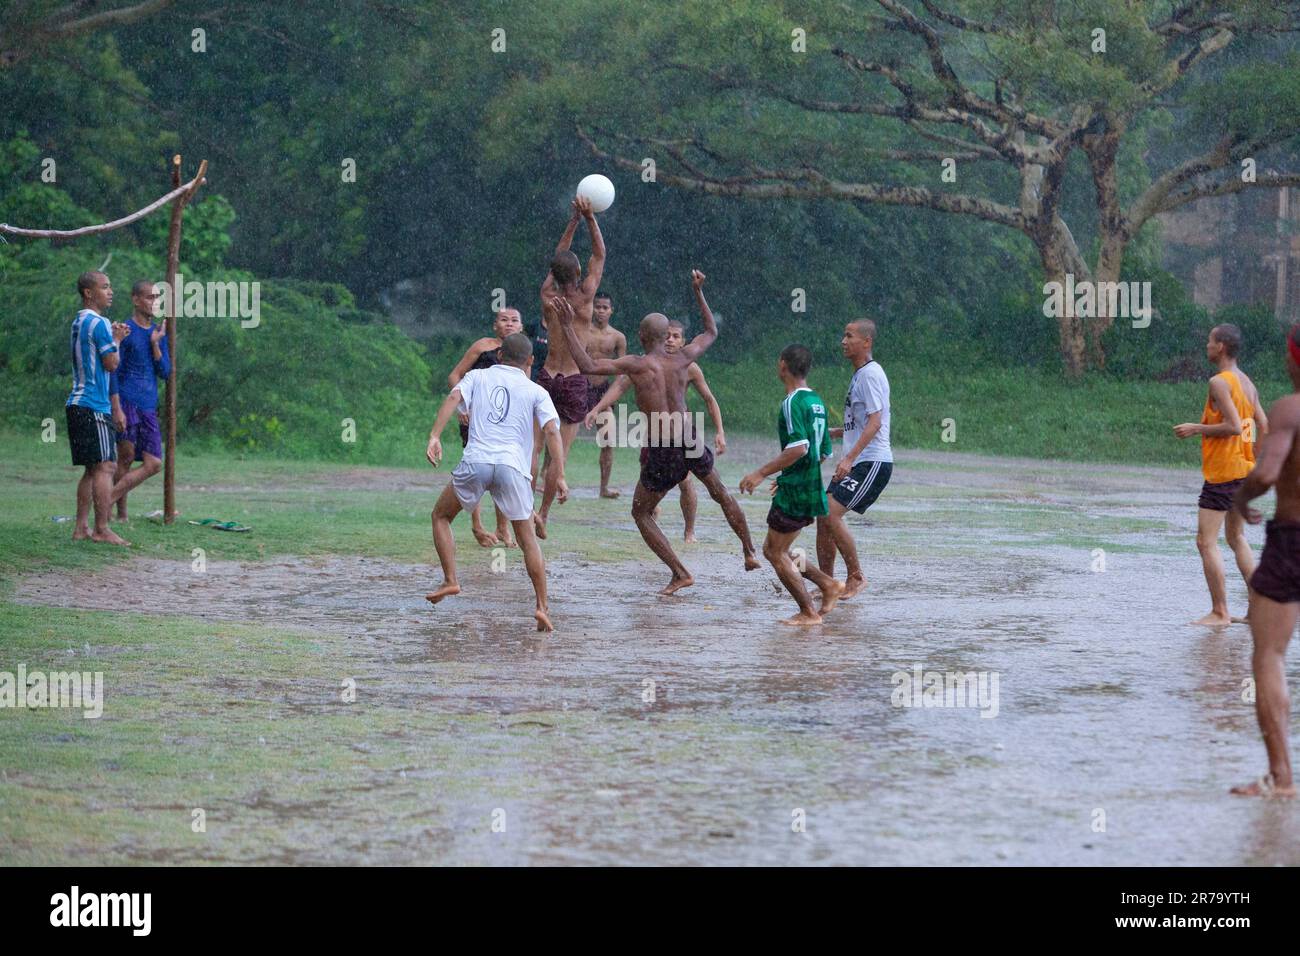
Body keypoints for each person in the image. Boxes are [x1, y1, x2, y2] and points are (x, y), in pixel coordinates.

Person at [554, 270, 758, 595]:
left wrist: (566, 326)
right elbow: (711, 330)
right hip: (689, 435)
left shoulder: (637, 364)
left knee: (640, 511)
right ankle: (749, 550)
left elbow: (589, 366)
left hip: (664, 445)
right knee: (719, 492)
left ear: (640, 335)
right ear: (667, 337)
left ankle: (680, 572)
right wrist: (698, 291)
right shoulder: (684, 358)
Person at [425, 333, 566, 632]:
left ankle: (451, 579)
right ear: (529, 361)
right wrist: (561, 474)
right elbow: (553, 432)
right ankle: (541, 606)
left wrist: (435, 436)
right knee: (527, 540)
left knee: (441, 516)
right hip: (512, 468)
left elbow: (453, 397)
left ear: (499, 356)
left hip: (476, 461)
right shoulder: (535, 390)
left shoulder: (477, 376)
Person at [1229, 325, 1300, 797]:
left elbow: (1268, 471)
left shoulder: (1290, 408)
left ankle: (1281, 778)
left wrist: (1240, 498)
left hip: (1293, 540)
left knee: (1269, 655)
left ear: (1294, 359)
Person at [586, 318, 727, 541]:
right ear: (660, 338)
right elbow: (620, 386)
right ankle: (651, 520)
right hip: (654, 436)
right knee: (647, 478)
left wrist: (719, 431)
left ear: (683, 342)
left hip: (682, 435)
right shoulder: (643, 365)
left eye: (676, 336)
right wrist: (597, 408)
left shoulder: (689, 366)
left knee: (686, 481)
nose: (670, 340)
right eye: (667, 335)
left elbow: (709, 399)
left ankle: (689, 530)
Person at [740, 345, 843, 626]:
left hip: (797, 488)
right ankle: (828, 584)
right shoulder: (817, 401)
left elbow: (799, 447)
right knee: (780, 549)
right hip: (808, 486)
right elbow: (822, 452)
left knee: (774, 552)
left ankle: (809, 612)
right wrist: (788, 477)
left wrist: (760, 473)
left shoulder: (792, 402)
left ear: (782, 364)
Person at [1174, 324, 1267, 626]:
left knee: (1205, 541)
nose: (1207, 346)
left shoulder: (1219, 382)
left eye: (1210, 341)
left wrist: (1195, 428)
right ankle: (1256, 611)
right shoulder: (1246, 382)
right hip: (1243, 470)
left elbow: (1233, 426)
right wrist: (1254, 458)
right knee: (1237, 537)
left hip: (1224, 473)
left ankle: (1220, 612)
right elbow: (1262, 424)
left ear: (1222, 347)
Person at [535, 195, 605, 531]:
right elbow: (599, 254)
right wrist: (590, 219)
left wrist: (572, 221)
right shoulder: (587, 293)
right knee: (558, 454)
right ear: (578, 273)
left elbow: (556, 261)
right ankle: (543, 514)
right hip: (574, 379)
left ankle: (520, 512)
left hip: (546, 376)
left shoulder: (548, 296)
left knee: (533, 450)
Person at [819, 319, 892, 599]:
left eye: (849, 336)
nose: (843, 341)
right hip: (860, 459)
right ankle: (827, 583)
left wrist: (848, 458)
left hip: (873, 462)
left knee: (829, 511)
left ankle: (856, 576)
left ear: (866, 342)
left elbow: (875, 422)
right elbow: (861, 423)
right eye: (843, 335)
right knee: (822, 514)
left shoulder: (871, 374)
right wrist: (834, 433)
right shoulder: (860, 375)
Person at [447, 307, 523, 547]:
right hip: (475, 419)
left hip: (503, 424)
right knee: (476, 471)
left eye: (514, 320)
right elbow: (455, 375)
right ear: (495, 325)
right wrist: (463, 407)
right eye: (504, 320)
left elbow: (524, 390)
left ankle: (503, 528)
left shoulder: (522, 354)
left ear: (520, 327)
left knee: (503, 471)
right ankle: (477, 525)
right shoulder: (483, 346)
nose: (509, 324)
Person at [66, 271, 130, 546]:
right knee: (106, 466)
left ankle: (81, 528)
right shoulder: (100, 322)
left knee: (91, 470)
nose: (110, 291)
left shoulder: (79, 321)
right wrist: (117, 340)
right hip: (94, 404)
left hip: (76, 403)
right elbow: (112, 364)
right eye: (104, 287)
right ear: (88, 293)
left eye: (110, 286)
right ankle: (102, 528)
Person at [107, 279, 170, 521]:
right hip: (126, 401)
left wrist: (155, 344)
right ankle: (119, 516)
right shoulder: (124, 330)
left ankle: (107, 498)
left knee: (154, 463)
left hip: (148, 405)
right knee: (125, 457)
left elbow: (165, 371)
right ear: (135, 300)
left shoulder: (158, 333)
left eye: (156, 298)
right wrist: (116, 407)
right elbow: (113, 368)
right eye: (149, 297)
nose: (154, 302)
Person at [585, 290, 627, 498]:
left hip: (603, 391)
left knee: (609, 439)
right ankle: (553, 477)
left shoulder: (618, 337)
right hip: (579, 387)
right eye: (597, 306)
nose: (600, 311)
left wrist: (608, 399)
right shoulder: (582, 331)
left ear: (611, 310)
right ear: (592, 308)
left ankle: (603, 488)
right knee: (559, 434)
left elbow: (621, 373)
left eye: (604, 307)